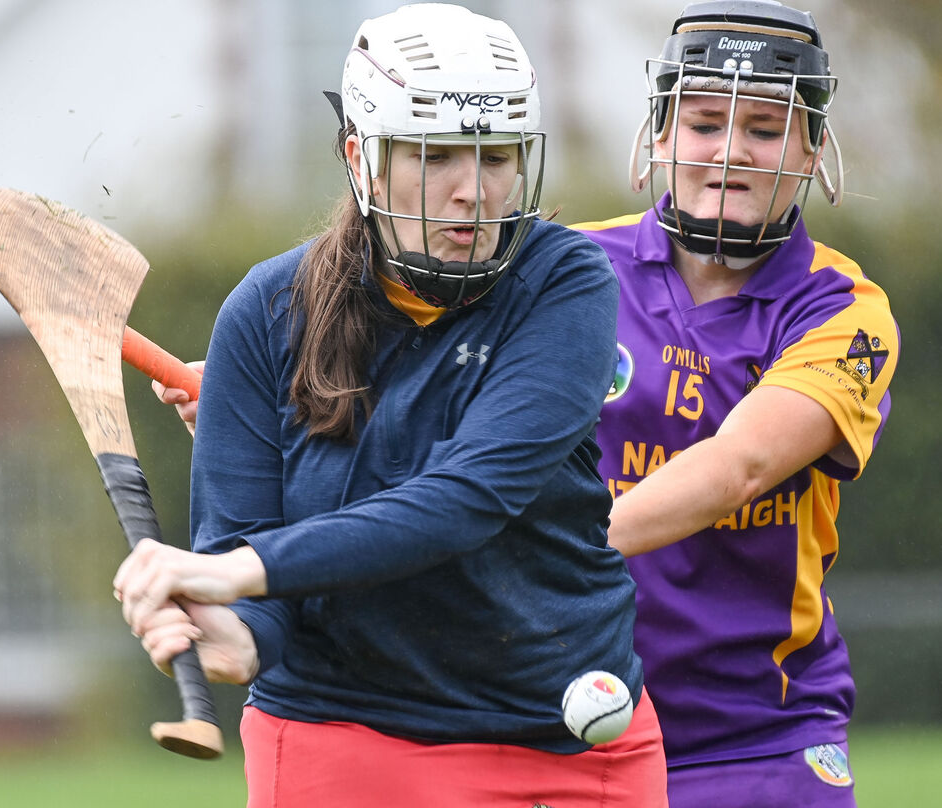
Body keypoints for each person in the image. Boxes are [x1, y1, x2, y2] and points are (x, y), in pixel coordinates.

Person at [114, 4, 667, 806]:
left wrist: (233, 573)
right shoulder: (266, 312)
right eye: (435, 157)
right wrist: (234, 632)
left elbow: (468, 498)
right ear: (361, 157)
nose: (473, 192)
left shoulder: (564, 283)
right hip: (345, 737)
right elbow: (248, 571)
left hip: (565, 738)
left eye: (497, 157)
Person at [570, 2, 899, 806]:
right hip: (565, 723)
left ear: (812, 149)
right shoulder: (568, 270)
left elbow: (740, 465)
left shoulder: (844, 310)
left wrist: (553, 549)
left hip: (758, 735)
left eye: (765, 128)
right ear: (660, 137)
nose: (729, 152)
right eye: (705, 123)